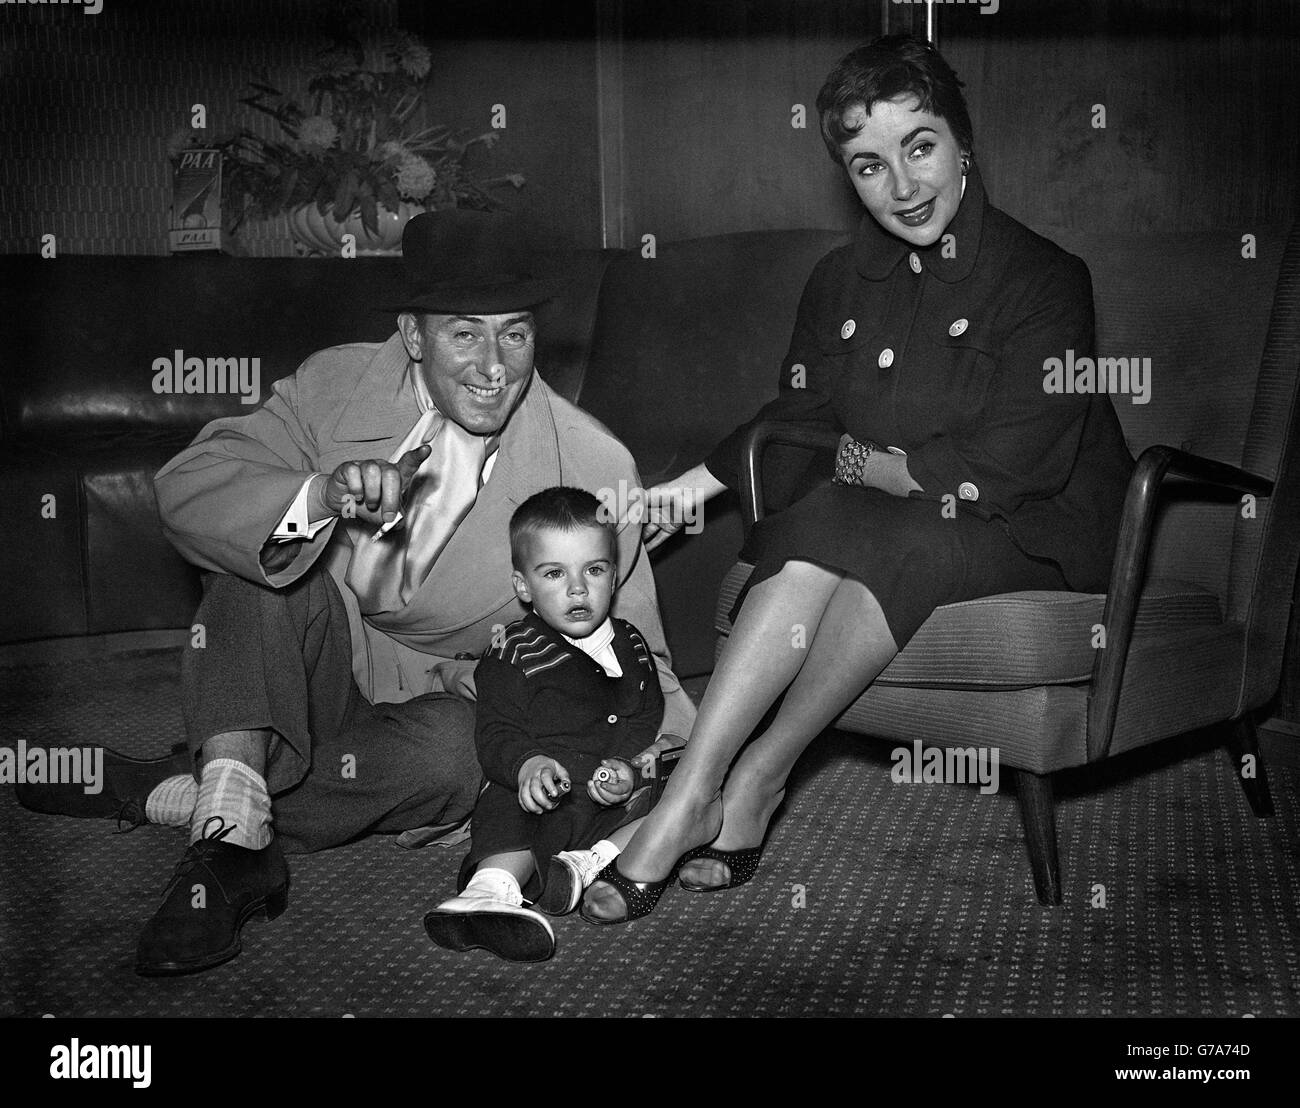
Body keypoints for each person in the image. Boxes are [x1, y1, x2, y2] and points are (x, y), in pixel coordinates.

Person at [17, 211, 694, 974]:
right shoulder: (333, 386)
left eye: (515, 333)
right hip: (299, 648)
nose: (495, 365)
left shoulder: (594, 464)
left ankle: (203, 795)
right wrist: (319, 496)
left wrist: (687, 775)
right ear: (412, 334)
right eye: (464, 333)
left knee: (462, 764)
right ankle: (232, 847)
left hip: (444, 699)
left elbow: (632, 654)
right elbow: (189, 489)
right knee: (264, 565)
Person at [581, 34, 1134, 922]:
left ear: (964, 143)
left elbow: (1014, 461)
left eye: (920, 147)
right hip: (898, 518)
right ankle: (707, 793)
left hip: (1038, 525)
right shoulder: (840, 279)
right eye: (869, 165)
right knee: (825, 527)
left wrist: (867, 465)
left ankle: (753, 774)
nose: (903, 186)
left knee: (860, 518)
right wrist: (675, 496)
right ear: (849, 175)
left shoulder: (1045, 277)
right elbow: (798, 413)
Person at [423, 486, 678, 961]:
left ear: (615, 576)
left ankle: (588, 865)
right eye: (554, 573)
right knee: (509, 805)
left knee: (674, 782)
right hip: (546, 789)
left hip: (609, 798)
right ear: (523, 586)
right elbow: (496, 731)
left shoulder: (632, 643)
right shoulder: (512, 650)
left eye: (594, 570)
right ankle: (490, 891)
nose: (578, 589)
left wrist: (627, 765)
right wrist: (526, 765)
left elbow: (645, 713)